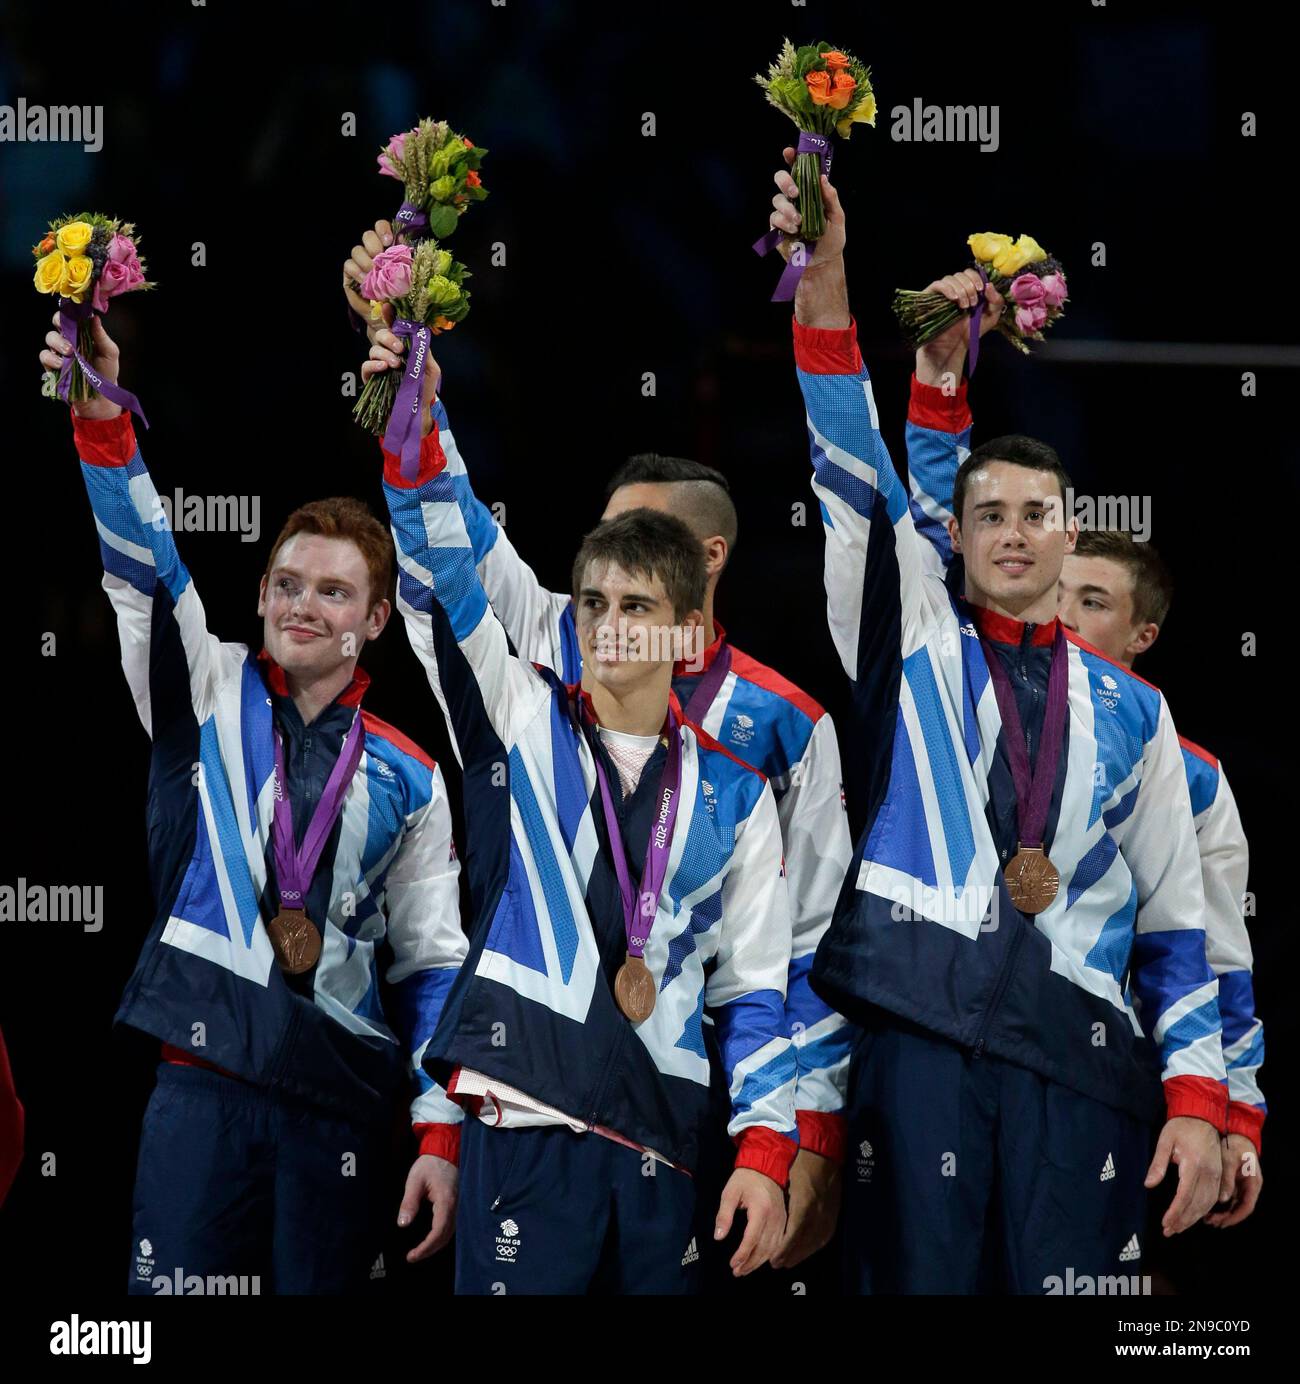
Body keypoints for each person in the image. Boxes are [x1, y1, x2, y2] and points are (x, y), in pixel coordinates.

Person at [346, 219, 853, 1274]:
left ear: (687, 618)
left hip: (663, 1135)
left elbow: (759, 985)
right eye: (592, 600)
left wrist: (772, 1148)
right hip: (524, 1120)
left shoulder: (738, 785)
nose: (605, 621)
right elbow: (449, 564)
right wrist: (410, 426)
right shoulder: (524, 711)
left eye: (636, 601)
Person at [766, 156, 1231, 1294]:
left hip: (1077, 1057)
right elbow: (845, 451)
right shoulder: (912, 637)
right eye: (988, 516)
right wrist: (824, 275)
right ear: (955, 539)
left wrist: (1201, 1103)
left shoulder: (1138, 711)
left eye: (1036, 516)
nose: (1013, 535)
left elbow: (1179, 920)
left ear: (1074, 537)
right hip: (920, 1035)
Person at [40, 312, 467, 1294]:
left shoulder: (410, 772)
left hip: (344, 1117)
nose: (299, 604)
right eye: (283, 582)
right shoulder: (206, 688)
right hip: (200, 1093)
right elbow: (142, 565)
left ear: (375, 618)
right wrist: (104, 417)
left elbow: (434, 964)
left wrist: (440, 1128)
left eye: (331, 589)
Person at [903, 274, 1266, 1230]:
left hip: (1091, 1073)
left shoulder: (1183, 769)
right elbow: (932, 528)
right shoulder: (944, 687)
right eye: (1063, 591)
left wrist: (1231, 1110)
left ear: (1145, 637)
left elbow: (1209, 947)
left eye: (1093, 603)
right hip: (938, 1058)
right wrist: (941, 378)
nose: (1062, 611)